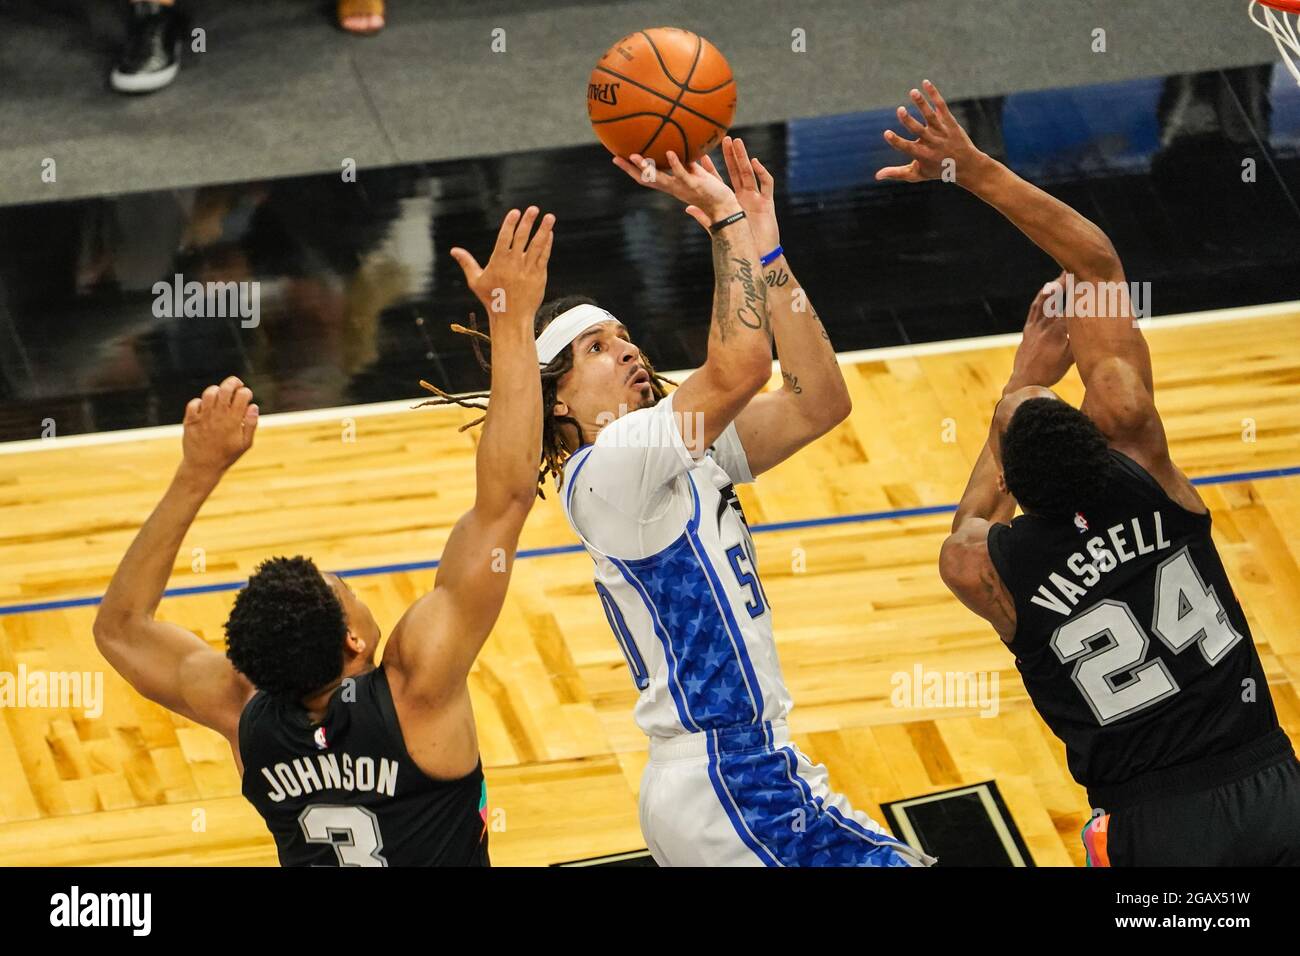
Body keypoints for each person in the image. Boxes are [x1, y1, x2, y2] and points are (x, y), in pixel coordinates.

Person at [423, 138, 933, 866]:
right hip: (733, 781)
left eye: (626, 336)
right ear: (556, 401)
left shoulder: (671, 455)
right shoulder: (612, 468)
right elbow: (741, 366)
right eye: (597, 348)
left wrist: (770, 256)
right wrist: (726, 218)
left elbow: (818, 400)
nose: (629, 351)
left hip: (730, 779)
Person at [881, 79, 1300, 866]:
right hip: (1272, 786)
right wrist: (974, 168)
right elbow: (1098, 264)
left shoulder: (984, 568)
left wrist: (1014, 383)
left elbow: (970, 520)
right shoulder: (1142, 458)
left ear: (1013, 477)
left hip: (1157, 828)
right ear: (1092, 432)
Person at [94, 206, 555, 865]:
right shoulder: (417, 690)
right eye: (346, 589)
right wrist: (511, 322)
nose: (351, 585)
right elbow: (506, 502)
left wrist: (197, 474)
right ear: (355, 640)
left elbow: (120, 628)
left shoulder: (244, 713)